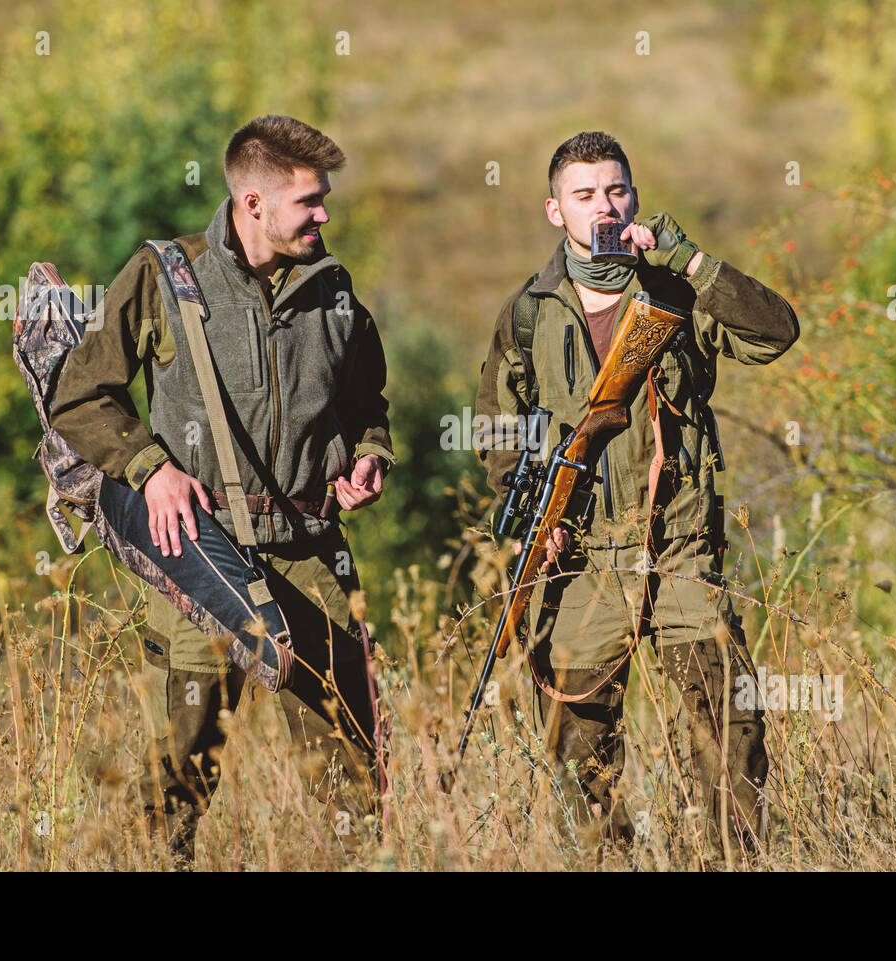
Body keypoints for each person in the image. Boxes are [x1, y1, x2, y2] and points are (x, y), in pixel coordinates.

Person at [50, 114, 394, 866]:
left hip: (312, 551)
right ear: (252, 204)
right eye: (310, 201)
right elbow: (80, 399)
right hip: (201, 552)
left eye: (325, 198)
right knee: (183, 762)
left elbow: (369, 403)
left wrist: (369, 456)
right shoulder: (165, 276)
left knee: (353, 769)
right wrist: (151, 467)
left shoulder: (332, 289)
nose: (325, 215)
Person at [474, 131, 799, 859]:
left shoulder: (677, 294)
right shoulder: (527, 314)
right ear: (554, 210)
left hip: (680, 549)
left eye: (617, 191)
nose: (604, 208)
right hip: (582, 559)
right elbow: (496, 429)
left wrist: (689, 258)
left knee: (729, 735)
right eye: (584, 195)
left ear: (637, 198)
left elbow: (777, 331)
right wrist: (532, 518)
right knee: (580, 755)